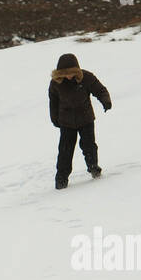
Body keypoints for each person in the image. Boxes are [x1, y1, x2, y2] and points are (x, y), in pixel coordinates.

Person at [49, 52, 112, 190]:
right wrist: (55, 119)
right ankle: (61, 178)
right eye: (65, 73)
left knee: (89, 145)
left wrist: (105, 101)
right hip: (66, 122)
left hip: (86, 119)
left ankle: (93, 167)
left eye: (71, 73)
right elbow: (53, 102)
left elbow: (100, 90)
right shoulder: (55, 84)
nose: (68, 76)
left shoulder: (86, 77)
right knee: (65, 151)